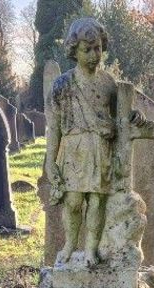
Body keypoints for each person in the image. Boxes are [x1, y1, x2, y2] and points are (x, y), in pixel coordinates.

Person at [45, 18, 116, 267]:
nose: (93, 55)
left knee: (96, 202)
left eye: (97, 48)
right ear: (74, 50)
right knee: (73, 201)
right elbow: (53, 127)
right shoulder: (62, 85)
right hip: (73, 150)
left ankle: (90, 249)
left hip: (99, 150)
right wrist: (49, 161)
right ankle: (69, 244)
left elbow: (120, 120)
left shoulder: (109, 84)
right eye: (87, 50)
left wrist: (133, 118)